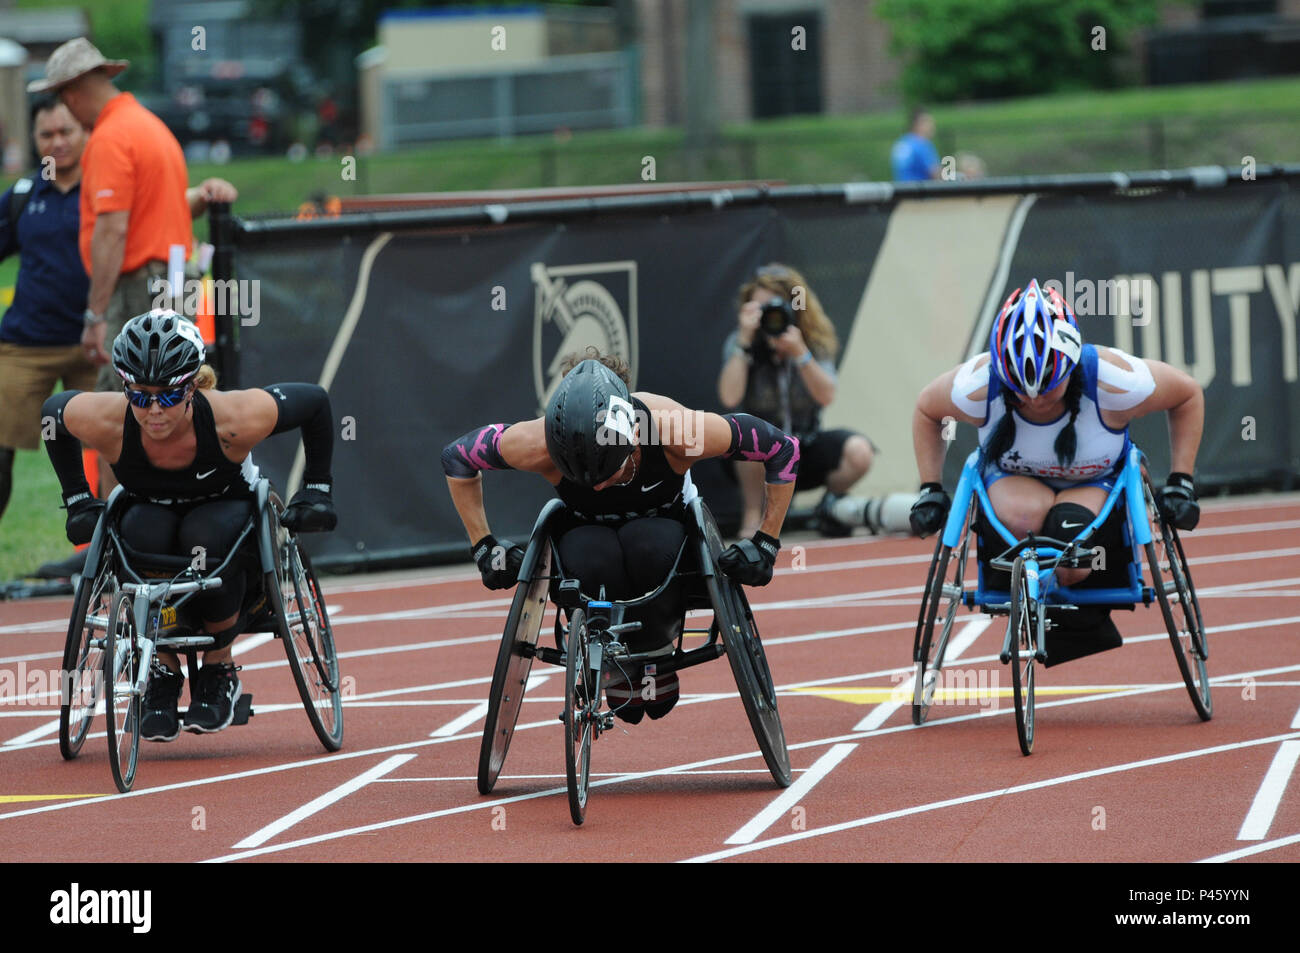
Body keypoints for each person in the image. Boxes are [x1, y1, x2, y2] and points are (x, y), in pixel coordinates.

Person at [442, 352, 799, 724]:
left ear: (634, 437)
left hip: (667, 545)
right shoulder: (536, 441)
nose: (596, 484)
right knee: (589, 552)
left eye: (608, 469)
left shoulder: (676, 429)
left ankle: (657, 647)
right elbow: (457, 459)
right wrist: (484, 547)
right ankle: (612, 652)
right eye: (580, 472)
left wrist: (766, 543)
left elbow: (782, 449)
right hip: (588, 544)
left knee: (648, 541)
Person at [41, 310, 338, 738]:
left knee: (207, 533)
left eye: (169, 395)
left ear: (194, 385)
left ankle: (218, 669)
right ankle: (161, 670)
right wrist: (77, 500)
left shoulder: (233, 418)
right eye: (140, 396)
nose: (154, 410)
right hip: (149, 510)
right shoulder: (107, 419)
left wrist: (316, 489)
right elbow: (53, 415)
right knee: (139, 532)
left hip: (226, 510)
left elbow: (314, 402)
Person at [908, 278, 1204, 664]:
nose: (1034, 399)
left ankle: (1075, 619)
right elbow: (927, 410)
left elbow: (1187, 395)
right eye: (1019, 391)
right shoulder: (978, 385)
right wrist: (930, 488)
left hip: (1093, 482)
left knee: (1070, 555)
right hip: (1016, 482)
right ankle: (1029, 593)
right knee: (1027, 522)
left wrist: (1181, 482)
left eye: (1048, 388)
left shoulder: (1115, 380)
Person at [28, 37, 238, 498]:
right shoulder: (149, 126)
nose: (66, 109)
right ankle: (171, 519)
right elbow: (157, 212)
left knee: (116, 415)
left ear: (77, 89)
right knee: (180, 404)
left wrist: (95, 315)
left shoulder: (109, 137)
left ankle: (116, 541)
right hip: (174, 280)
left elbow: (112, 231)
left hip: (139, 287)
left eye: (64, 96)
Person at [717, 262, 876, 537]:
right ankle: (753, 516)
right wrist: (745, 341)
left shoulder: (813, 341)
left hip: (806, 447)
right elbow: (729, 398)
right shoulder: (741, 342)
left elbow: (827, 396)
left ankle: (830, 506)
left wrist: (800, 353)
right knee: (748, 435)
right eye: (760, 309)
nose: (770, 317)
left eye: (776, 308)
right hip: (759, 456)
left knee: (860, 451)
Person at [0, 97, 94, 535]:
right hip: (26, 345)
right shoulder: (22, 196)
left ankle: (120, 557)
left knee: (125, 447)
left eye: (66, 132)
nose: (57, 142)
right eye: (46, 134)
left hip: (97, 344)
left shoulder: (107, 189)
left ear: (86, 132)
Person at [891, 108, 941, 182]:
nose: (933, 126)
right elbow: (935, 173)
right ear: (918, 124)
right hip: (920, 190)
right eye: (929, 122)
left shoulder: (901, 143)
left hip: (902, 190)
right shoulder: (921, 144)